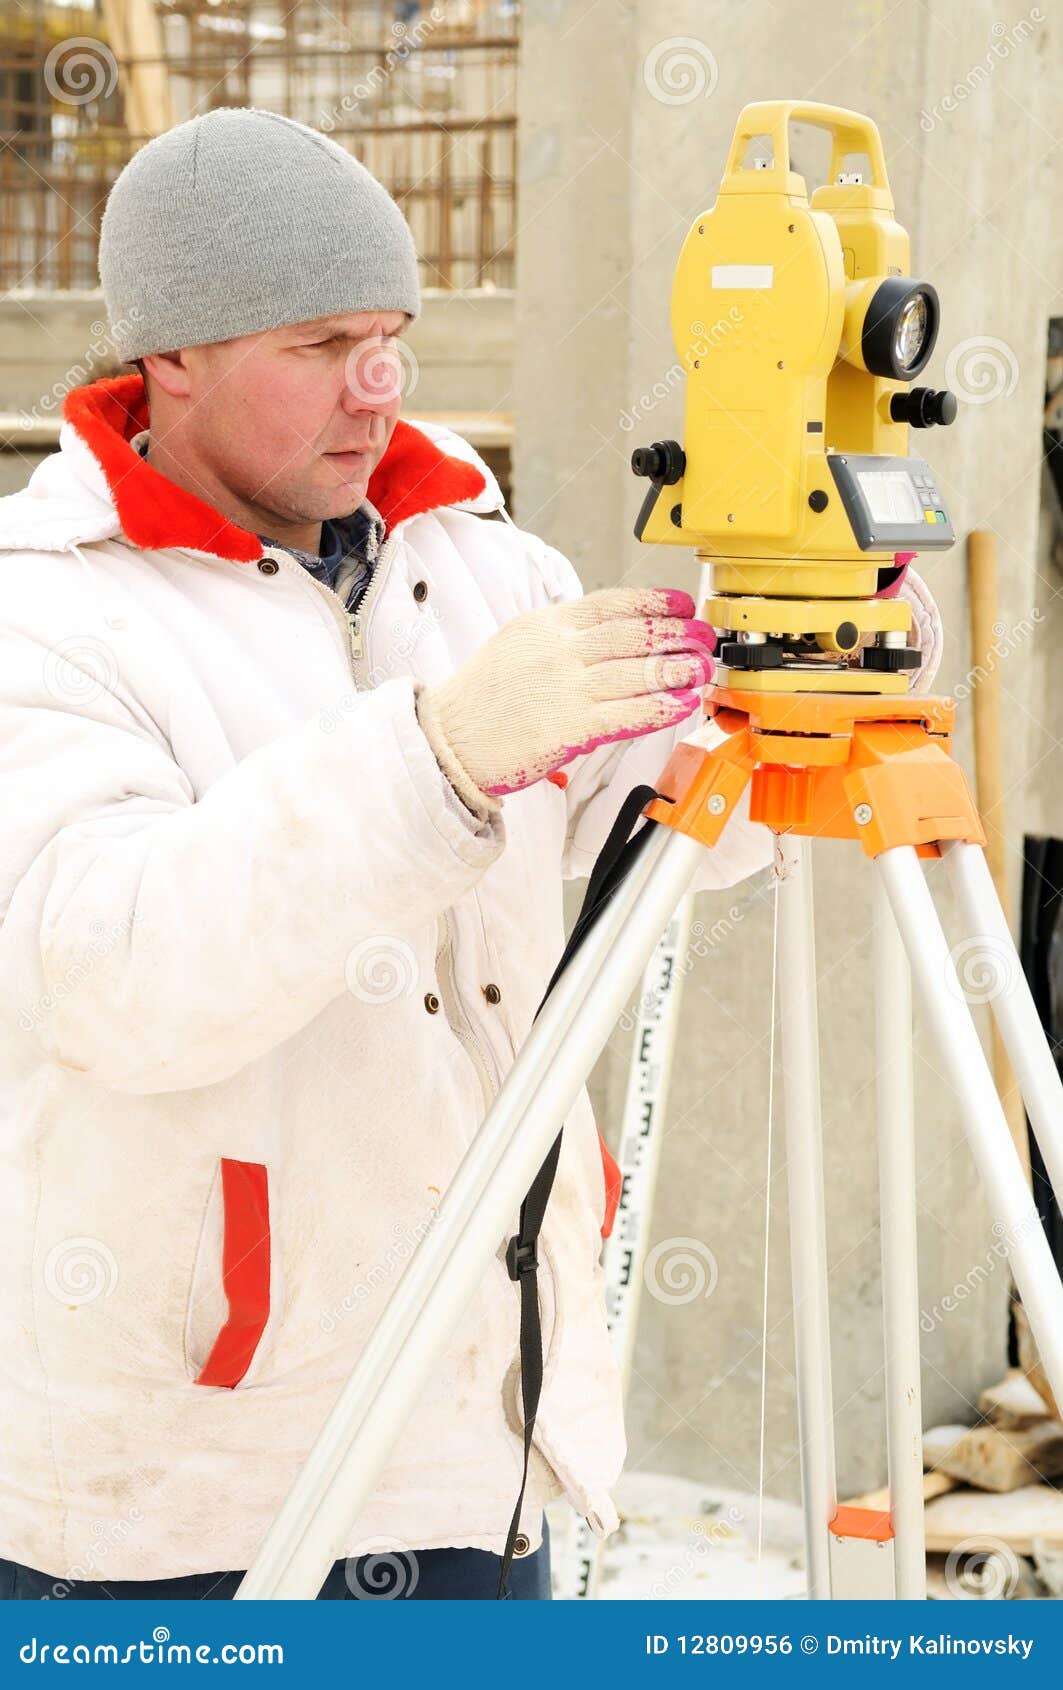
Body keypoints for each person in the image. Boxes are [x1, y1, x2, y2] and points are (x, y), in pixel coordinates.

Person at [0, 108, 939, 1601]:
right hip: (181, 1499)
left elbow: (672, 829)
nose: (378, 388)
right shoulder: (49, 616)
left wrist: (821, 654)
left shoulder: (485, 564)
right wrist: (432, 755)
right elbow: (118, 976)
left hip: (477, 1449)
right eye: (320, 344)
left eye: (394, 336)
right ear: (166, 357)